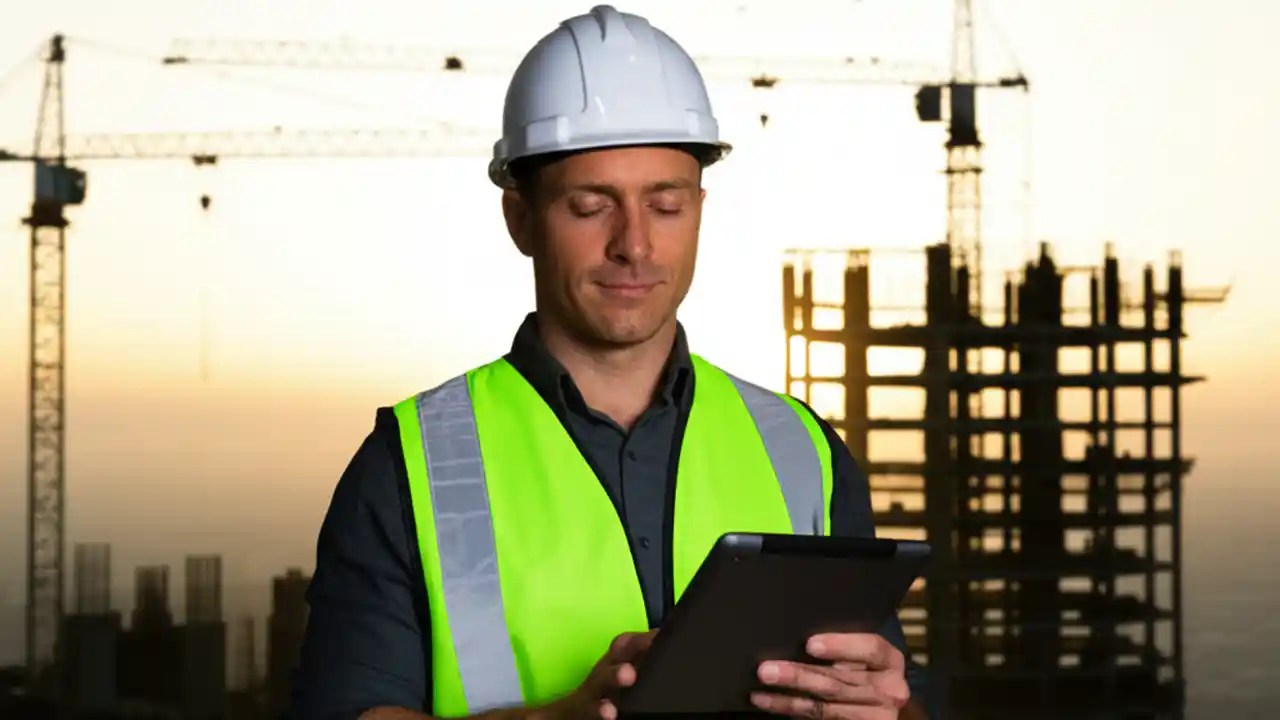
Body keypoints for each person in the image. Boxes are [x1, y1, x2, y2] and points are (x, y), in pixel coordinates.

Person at [291, 5, 933, 719]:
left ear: (700, 209)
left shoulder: (803, 451)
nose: (634, 244)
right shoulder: (409, 467)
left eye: (666, 205)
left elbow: (891, 698)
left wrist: (889, 709)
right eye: (591, 205)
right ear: (521, 219)